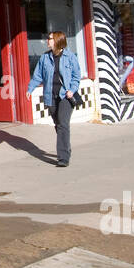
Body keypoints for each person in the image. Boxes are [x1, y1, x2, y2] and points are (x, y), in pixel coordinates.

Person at [27, 30, 85, 167]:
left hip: (65, 95)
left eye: (51, 39)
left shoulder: (70, 57)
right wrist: (30, 89)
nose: (48, 41)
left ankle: (63, 157)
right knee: (58, 124)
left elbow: (76, 76)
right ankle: (66, 147)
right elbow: (38, 76)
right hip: (50, 95)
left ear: (58, 41)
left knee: (63, 124)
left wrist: (72, 89)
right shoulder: (44, 58)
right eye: (48, 38)